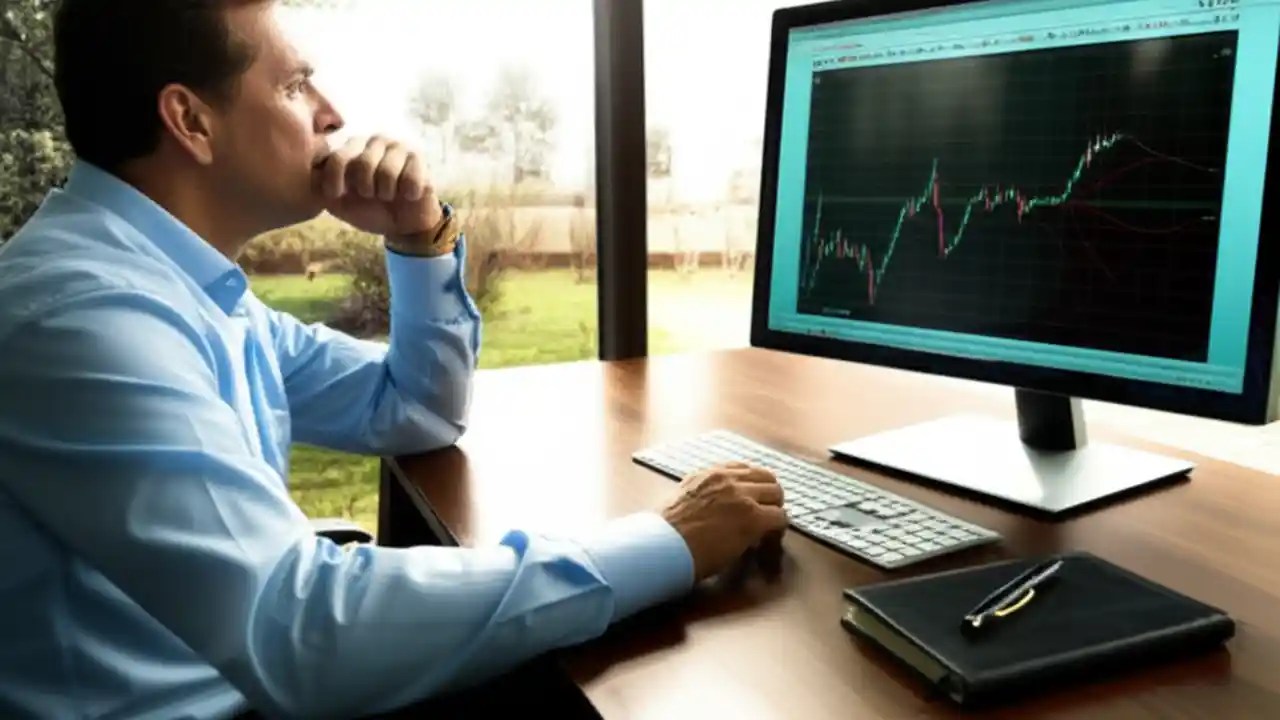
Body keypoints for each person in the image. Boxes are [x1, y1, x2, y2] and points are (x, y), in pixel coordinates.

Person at [0, 1, 788, 718]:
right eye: (295, 86)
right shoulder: (82, 319)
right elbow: (303, 630)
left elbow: (414, 408)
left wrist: (418, 237)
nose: (332, 114)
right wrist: (668, 541)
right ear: (190, 122)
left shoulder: (187, 289)